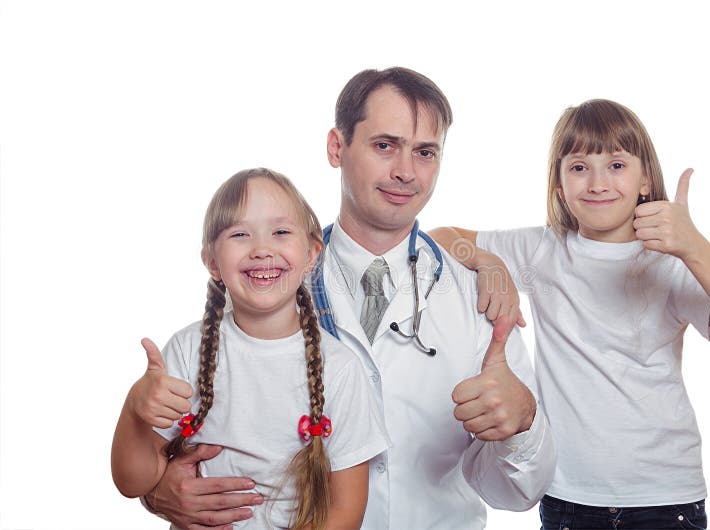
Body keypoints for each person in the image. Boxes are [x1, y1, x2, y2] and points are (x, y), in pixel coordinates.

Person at [140, 68, 556, 529]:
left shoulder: (475, 298)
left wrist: (523, 422)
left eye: (424, 152)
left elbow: (517, 495)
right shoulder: (269, 277)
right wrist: (157, 489)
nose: (404, 171)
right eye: (385, 145)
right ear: (337, 148)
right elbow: (193, 425)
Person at [430, 99, 710, 530]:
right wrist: (489, 262)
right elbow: (440, 239)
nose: (597, 182)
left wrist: (694, 247)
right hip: (569, 498)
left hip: (666, 499)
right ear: (559, 185)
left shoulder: (670, 262)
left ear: (645, 179)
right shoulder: (544, 250)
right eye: (579, 167)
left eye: (616, 165)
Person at [112, 168, 389, 529]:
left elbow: (345, 511)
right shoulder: (186, 351)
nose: (262, 249)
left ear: (310, 254)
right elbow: (132, 481)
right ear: (212, 261)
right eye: (240, 234)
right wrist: (135, 408)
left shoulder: (340, 369)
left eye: (281, 232)